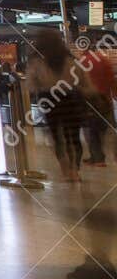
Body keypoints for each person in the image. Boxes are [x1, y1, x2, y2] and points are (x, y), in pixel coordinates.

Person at [26, 27, 94, 183]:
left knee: (57, 137)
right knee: (74, 137)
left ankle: (65, 168)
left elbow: (31, 85)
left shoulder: (36, 61)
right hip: (71, 99)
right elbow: (85, 82)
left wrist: (40, 89)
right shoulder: (70, 59)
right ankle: (75, 170)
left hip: (49, 100)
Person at [77, 41, 114, 167]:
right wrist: (114, 94)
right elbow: (112, 80)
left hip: (90, 100)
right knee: (105, 129)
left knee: (91, 130)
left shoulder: (82, 61)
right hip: (105, 100)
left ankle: (98, 158)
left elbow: (77, 83)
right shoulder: (104, 60)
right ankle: (99, 156)